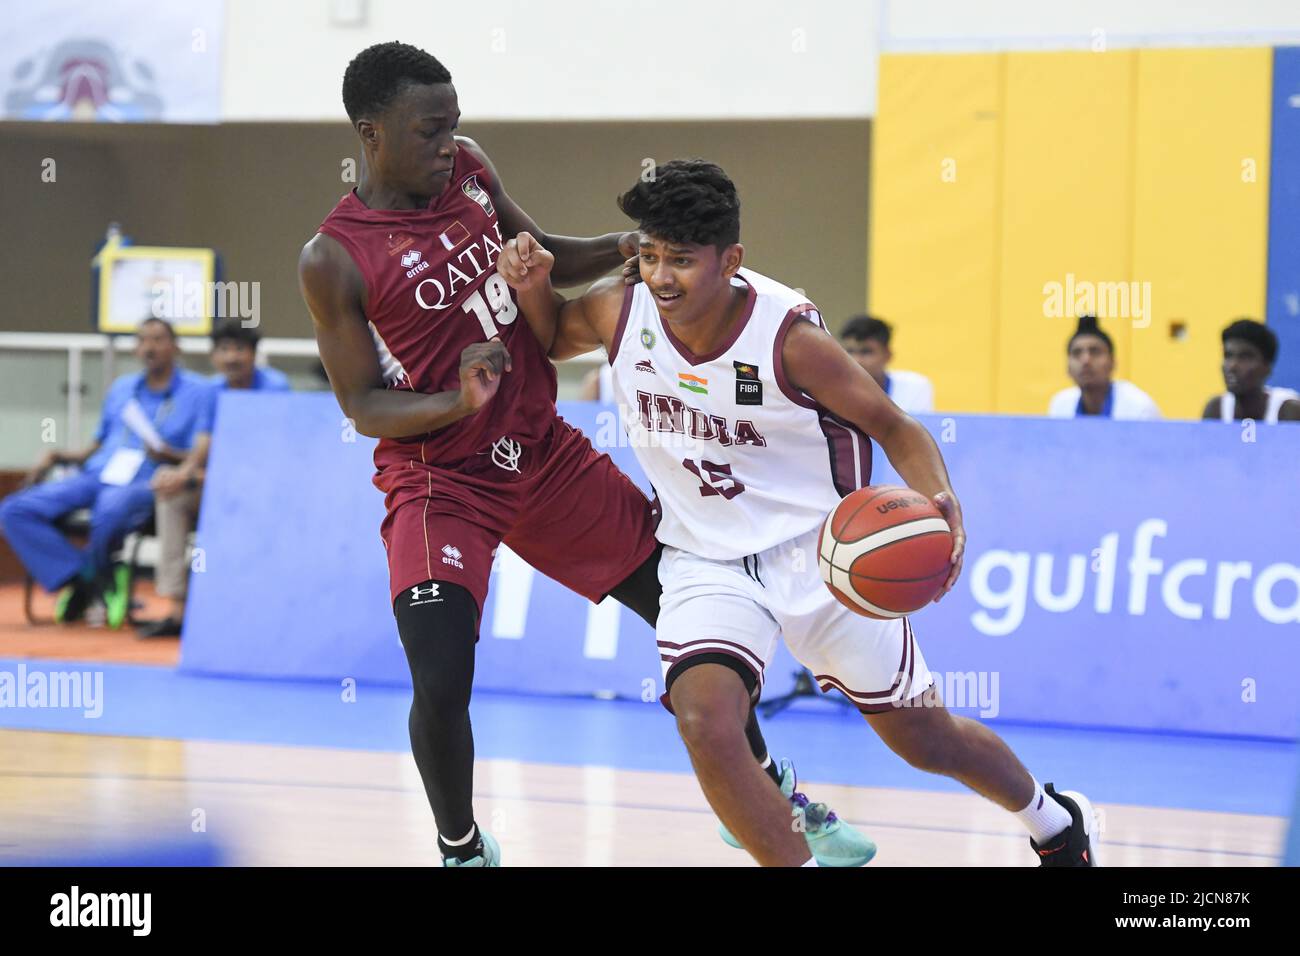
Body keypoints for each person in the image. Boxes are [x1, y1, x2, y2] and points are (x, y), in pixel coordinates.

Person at [297, 43, 867, 867]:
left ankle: (771, 798)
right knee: (442, 676)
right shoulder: (333, 257)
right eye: (429, 131)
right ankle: (462, 847)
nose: (448, 144)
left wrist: (625, 246)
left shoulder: (469, 173)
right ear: (370, 132)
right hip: (440, 482)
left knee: (688, 616)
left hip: (542, 456)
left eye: (454, 126)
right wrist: (456, 402)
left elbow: (542, 258)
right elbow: (361, 404)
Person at [501, 159, 1100, 867]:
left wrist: (943, 504)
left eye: (684, 261)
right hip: (704, 558)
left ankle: (1052, 819)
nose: (662, 277)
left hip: (827, 560)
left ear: (732, 261)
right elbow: (546, 340)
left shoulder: (789, 341)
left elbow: (895, 426)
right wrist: (534, 285)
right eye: (653, 255)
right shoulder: (618, 309)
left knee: (924, 739)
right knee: (707, 721)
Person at [0, 318, 216, 628]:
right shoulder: (121, 388)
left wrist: (169, 455)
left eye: (158, 339)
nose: (149, 347)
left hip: (150, 479)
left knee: (110, 510)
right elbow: (94, 447)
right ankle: (84, 577)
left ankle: (91, 578)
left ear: (175, 346)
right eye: (143, 340)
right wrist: (56, 453)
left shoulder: (199, 391)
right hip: (99, 474)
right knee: (14, 510)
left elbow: (199, 454)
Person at [135, 319, 291, 638]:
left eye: (239, 349)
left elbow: (273, 449)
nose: (231, 357)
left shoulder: (275, 387)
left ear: (253, 354)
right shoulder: (211, 391)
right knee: (171, 494)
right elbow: (205, 441)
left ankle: (260, 608)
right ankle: (178, 610)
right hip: (218, 483)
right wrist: (183, 473)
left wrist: (200, 473)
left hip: (266, 488)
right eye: (224, 349)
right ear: (213, 356)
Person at [1047, 315, 1160, 419]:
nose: (1086, 360)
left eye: (1095, 352)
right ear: (1068, 367)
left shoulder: (1139, 408)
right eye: (1077, 353)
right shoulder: (1060, 406)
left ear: (1113, 363)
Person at [1202, 318, 1300, 423]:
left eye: (1245, 357)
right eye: (1228, 355)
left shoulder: (1290, 411)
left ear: (1267, 367)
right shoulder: (1216, 410)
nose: (1232, 366)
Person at [839, 315, 934, 413]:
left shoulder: (915, 387)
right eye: (849, 351)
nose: (857, 360)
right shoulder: (833, 390)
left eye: (866, 352)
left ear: (887, 355)